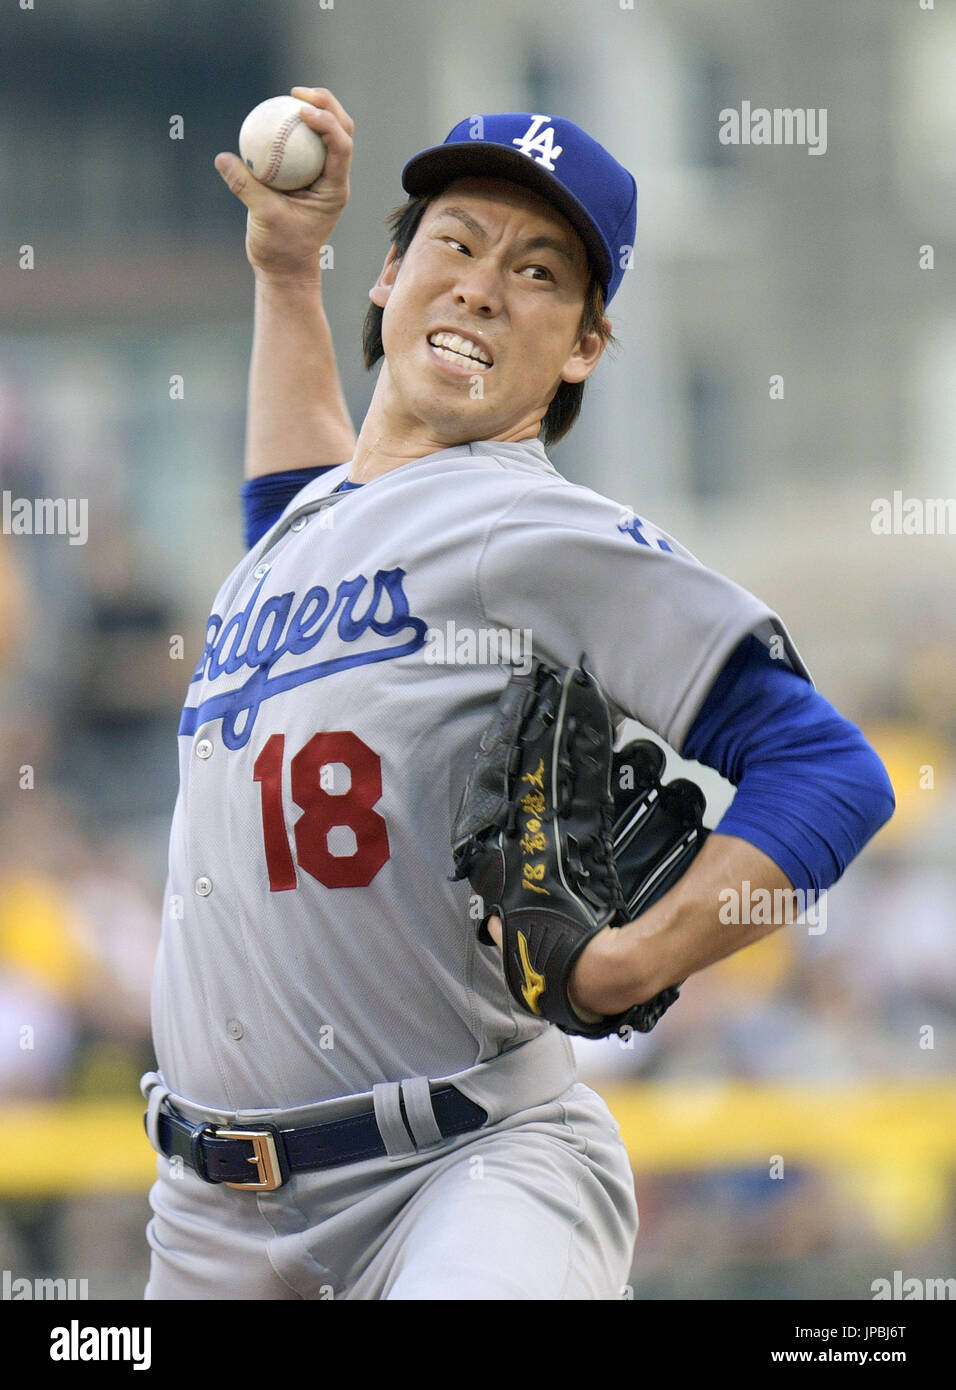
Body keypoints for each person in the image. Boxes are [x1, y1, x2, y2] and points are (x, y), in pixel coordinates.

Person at [140, 90, 894, 1300]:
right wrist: (287, 276)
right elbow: (294, 509)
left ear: (585, 345)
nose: (483, 286)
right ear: (389, 274)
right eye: (455, 241)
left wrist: (625, 961)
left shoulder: (526, 523)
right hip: (210, 1221)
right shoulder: (308, 531)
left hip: (464, 1174)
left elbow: (830, 770)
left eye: (539, 270)